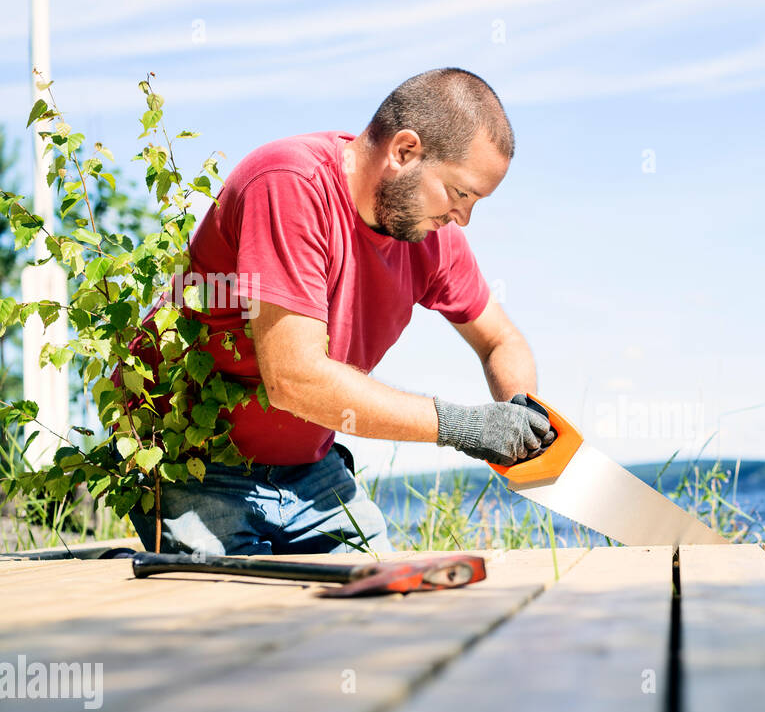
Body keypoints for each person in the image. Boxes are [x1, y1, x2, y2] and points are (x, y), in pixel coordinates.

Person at [129, 68, 552, 556]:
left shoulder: (431, 236)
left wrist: (524, 420)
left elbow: (501, 340)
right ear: (404, 151)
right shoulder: (289, 183)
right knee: (240, 613)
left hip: (312, 468)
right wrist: (465, 426)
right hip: (194, 462)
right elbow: (295, 379)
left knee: (377, 610)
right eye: (460, 194)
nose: (463, 218)